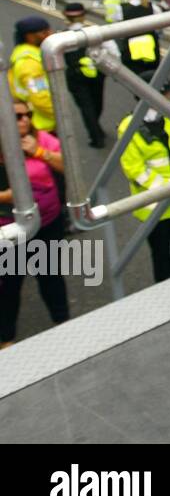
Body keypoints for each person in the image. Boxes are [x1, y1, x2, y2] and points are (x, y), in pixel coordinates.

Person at [0, 100, 69, 348]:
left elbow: (67, 166)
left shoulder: (39, 138)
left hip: (47, 223)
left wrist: (41, 153)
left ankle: (64, 326)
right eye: (18, 116)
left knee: (51, 277)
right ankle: (6, 340)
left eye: (27, 115)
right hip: (11, 230)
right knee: (10, 284)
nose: (25, 120)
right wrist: (8, 196)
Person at [118, 82, 170, 283]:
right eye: (166, 93)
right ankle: (167, 292)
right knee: (161, 252)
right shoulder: (127, 127)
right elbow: (134, 169)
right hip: (154, 203)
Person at [62, 1, 118, 149]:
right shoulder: (95, 32)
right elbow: (113, 50)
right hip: (96, 73)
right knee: (97, 102)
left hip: (75, 75)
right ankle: (96, 127)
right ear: (83, 15)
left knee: (85, 106)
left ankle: (96, 136)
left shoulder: (60, 35)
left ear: (65, 16)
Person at [10, 16, 56, 135]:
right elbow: (40, 98)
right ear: (29, 36)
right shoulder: (30, 64)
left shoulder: (25, 52)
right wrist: (60, 113)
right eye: (44, 32)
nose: (50, 34)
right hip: (42, 127)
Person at [119, 0, 160, 85]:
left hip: (131, 51)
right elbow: (159, 28)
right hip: (151, 50)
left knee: (136, 84)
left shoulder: (121, 9)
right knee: (152, 81)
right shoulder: (153, 8)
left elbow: (118, 30)